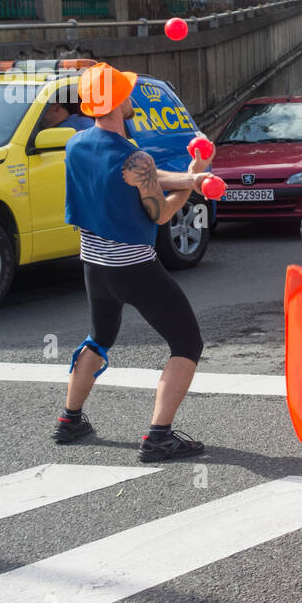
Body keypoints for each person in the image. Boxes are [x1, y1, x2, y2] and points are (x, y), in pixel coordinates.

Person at [52, 62, 216, 462]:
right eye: (126, 91)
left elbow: (138, 174)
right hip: (133, 266)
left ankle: (69, 420)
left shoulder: (77, 143)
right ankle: (158, 436)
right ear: (119, 100)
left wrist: (188, 178)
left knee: (100, 337)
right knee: (187, 342)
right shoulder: (134, 158)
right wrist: (193, 192)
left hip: (93, 262)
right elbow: (159, 214)